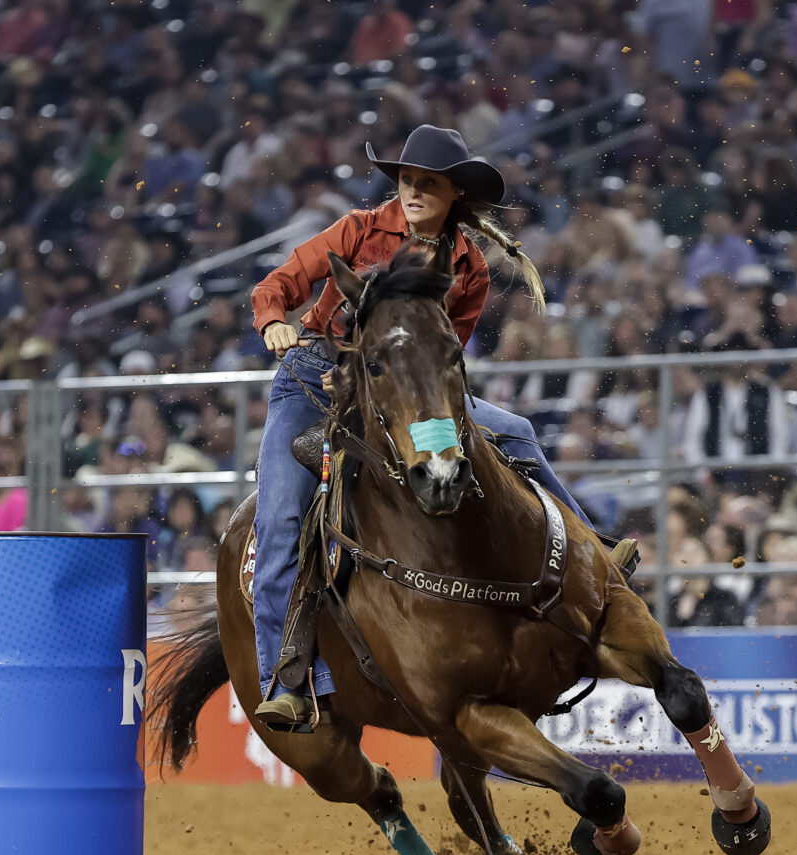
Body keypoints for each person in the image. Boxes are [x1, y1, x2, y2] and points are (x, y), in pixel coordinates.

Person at [247, 125, 629, 729]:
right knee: (281, 527)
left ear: (454, 193)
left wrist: (406, 404)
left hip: (411, 396)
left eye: (428, 184)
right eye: (406, 181)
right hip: (313, 380)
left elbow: (447, 358)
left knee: (518, 432)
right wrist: (274, 322)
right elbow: (277, 286)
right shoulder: (356, 231)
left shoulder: (470, 267)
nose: (414, 192)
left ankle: (594, 554)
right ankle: (289, 677)